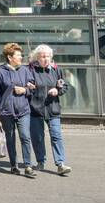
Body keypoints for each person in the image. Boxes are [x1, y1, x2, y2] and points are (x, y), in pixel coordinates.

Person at [0, 43, 36, 178]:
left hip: (23, 110)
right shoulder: (0, 73)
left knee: (25, 137)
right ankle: (14, 165)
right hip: (6, 112)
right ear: (10, 57)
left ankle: (28, 166)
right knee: (10, 138)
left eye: (21, 55)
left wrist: (25, 90)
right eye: (18, 55)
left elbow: (33, 88)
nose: (21, 57)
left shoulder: (25, 71)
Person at [27, 45, 72, 175]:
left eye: (48, 56)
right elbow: (27, 87)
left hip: (53, 109)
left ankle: (60, 164)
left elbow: (65, 85)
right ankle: (40, 162)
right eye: (43, 56)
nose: (46, 59)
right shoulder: (31, 70)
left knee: (56, 136)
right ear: (37, 58)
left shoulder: (56, 70)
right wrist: (29, 87)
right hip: (35, 109)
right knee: (38, 137)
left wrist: (57, 90)